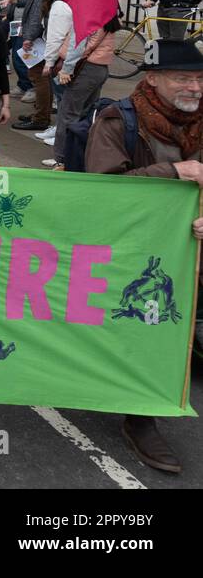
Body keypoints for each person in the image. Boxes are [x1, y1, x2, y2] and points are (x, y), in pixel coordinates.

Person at [85, 39, 203, 474]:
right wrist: (174, 172)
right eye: (183, 78)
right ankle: (141, 418)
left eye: (200, 79)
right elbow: (105, 191)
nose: (195, 87)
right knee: (146, 329)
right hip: (138, 253)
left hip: (192, 251)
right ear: (151, 78)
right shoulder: (119, 121)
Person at [50, 16, 118, 170]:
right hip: (99, 68)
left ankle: (62, 160)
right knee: (86, 114)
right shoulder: (108, 15)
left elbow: (81, 45)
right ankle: (79, 157)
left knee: (67, 113)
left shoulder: (91, 16)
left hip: (86, 69)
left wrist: (67, 68)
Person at [13, 0, 69, 134]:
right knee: (40, 78)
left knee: (41, 78)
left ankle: (42, 118)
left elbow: (54, 33)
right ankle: (41, 115)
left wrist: (30, 36)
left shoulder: (59, 3)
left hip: (47, 45)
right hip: (43, 41)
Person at [0, 0, 46, 101]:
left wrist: (30, 34)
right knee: (16, 56)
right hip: (16, 26)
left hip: (25, 27)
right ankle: (23, 85)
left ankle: (31, 87)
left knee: (24, 58)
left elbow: (31, 4)